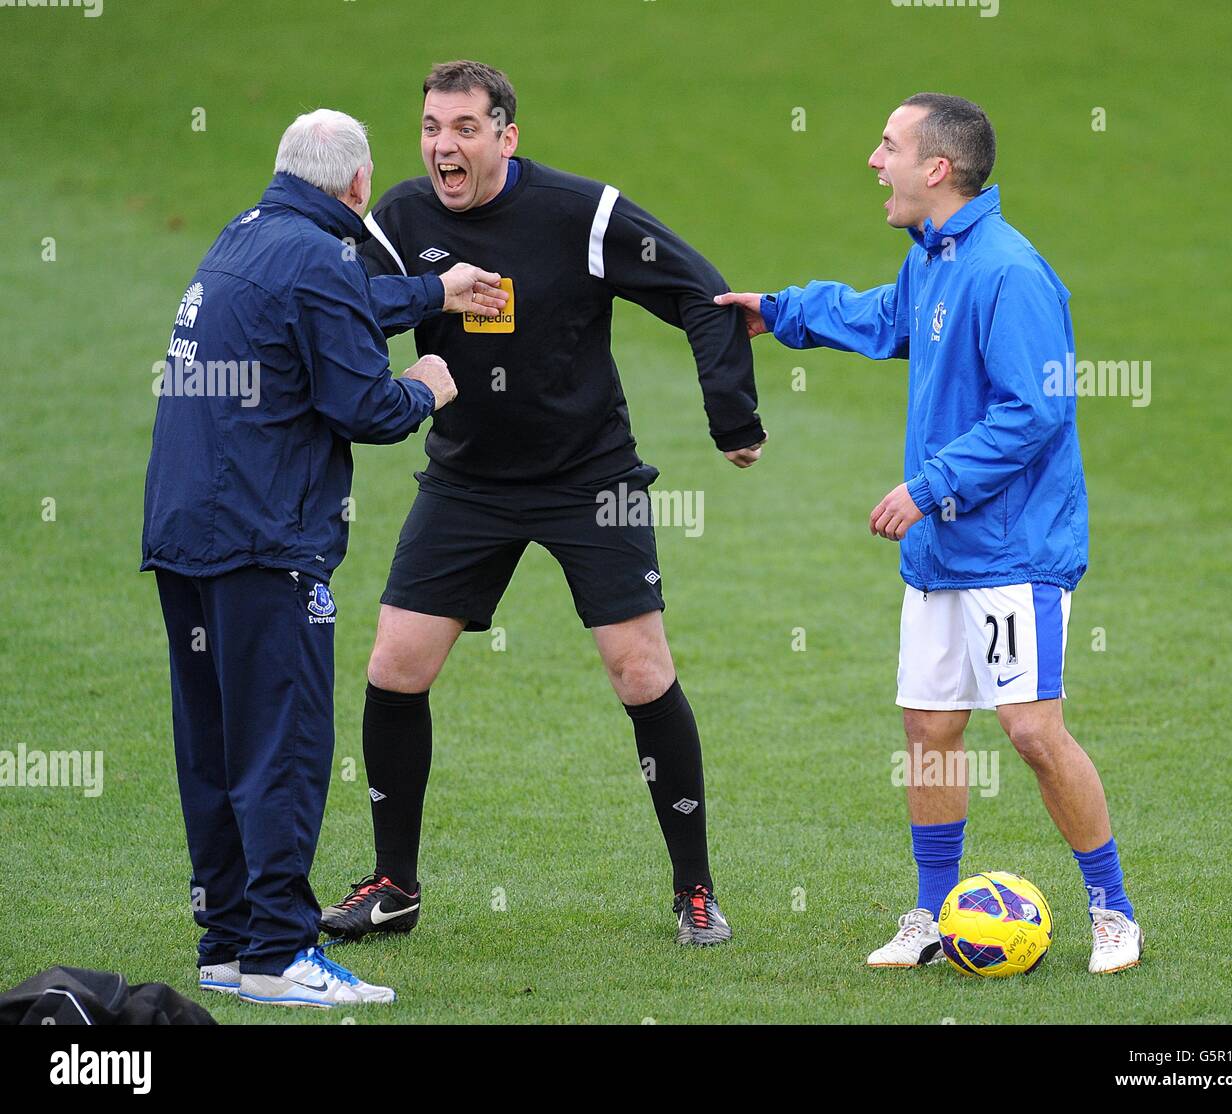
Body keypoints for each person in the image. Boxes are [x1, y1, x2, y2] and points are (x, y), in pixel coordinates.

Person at [320, 60, 765, 947]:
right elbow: (336, 305)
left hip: (588, 477)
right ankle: (395, 885)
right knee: (394, 667)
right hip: (467, 480)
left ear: (506, 137)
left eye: (465, 129)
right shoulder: (402, 219)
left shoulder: (581, 214)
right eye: (432, 128)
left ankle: (696, 890)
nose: (445, 146)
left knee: (640, 671)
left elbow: (700, 292)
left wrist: (732, 417)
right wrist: (401, 350)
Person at [718, 93, 1142, 974]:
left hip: (1014, 546)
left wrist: (930, 485)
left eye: (888, 146)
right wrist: (784, 312)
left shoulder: (1010, 272)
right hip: (944, 553)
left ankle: (1112, 910)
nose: (876, 161)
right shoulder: (937, 256)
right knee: (930, 730)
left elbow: (1036, 410)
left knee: (1030, 730)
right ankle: (929, 911)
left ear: (936, 168)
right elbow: (887, 320)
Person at [141, 108, 506, 1007]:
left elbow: (331, 305)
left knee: (218, 746)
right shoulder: (317, 256)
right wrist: (425, 384)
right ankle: (277, 953)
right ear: (355, 187)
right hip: (265, 540)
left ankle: (227, 943)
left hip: (189, 535)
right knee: (284, 746)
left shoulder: (250, 235)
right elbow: (365, 406)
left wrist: (434, 292)